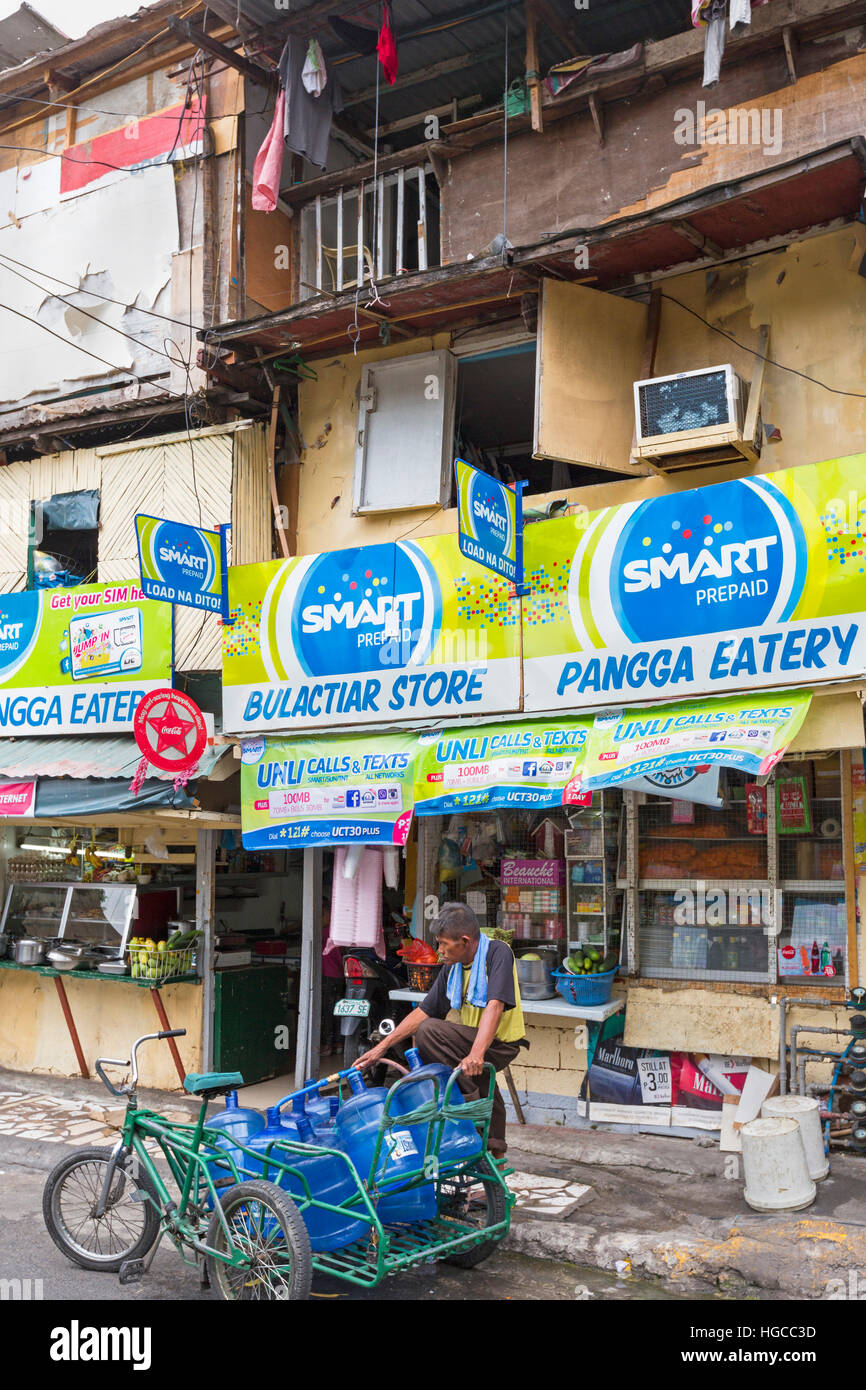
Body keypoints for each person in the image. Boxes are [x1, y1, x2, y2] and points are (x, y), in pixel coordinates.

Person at [355, 902, 527, 1158]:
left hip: (501, 1042)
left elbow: (494, 1006)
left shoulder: (497, 953)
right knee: (477, 1081)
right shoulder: (452, 967)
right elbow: (425, 1009)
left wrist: (476, 1055)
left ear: (465, 941)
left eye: (443, 944)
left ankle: (467, 1106)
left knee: (430, 1032)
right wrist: (381, 1046)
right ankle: (494, 1159)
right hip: (472, 1040)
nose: (439, 951)